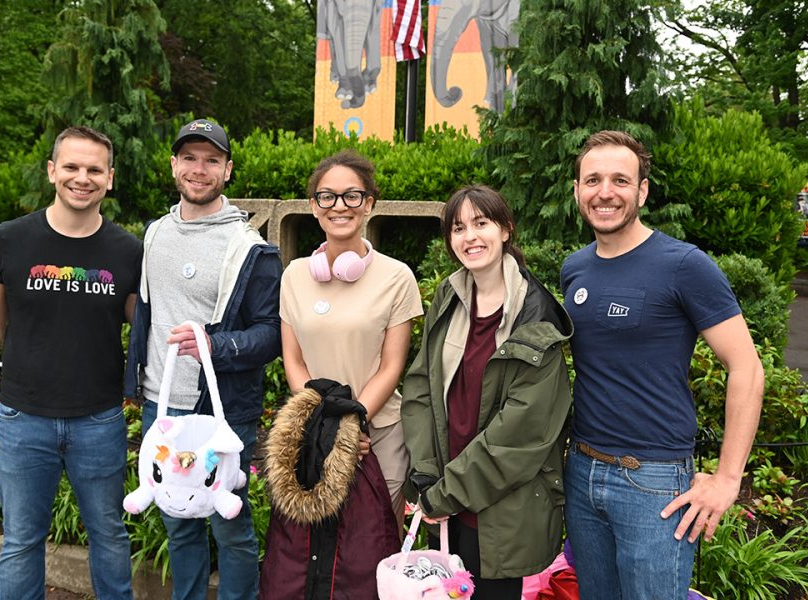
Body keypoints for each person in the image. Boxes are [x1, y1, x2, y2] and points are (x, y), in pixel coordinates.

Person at [560, 130, 764, 599]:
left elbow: (747, 368)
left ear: (642, 191)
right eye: (592, 180)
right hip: (582, 471)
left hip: (653, 483)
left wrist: (728, 479)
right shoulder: (575, 268)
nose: (605, 192)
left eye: (620, 180)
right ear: (577, 191)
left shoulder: (684, 265)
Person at [0, 126, 140, 599]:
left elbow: (146, 330)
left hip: (99, 420)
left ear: (110, 178)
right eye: (72, 167)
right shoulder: (9, 240)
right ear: (52, 171)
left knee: (110, 535)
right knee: (20, 541)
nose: (83, 177)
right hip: (22, 419)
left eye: (94, 169)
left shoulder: (129, 251)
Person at [124, 118, 281, 600]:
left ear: (227, 170)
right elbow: (145, 310)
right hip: (160, 405)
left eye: (211, 159)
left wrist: (218, 346)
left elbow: (271, 335)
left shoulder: (251, 249)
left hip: (221, 410)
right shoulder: (154, 234)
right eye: (189, 158)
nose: (199, 169)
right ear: (173, 165)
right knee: (177, 520)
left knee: (229, 525)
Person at [402, 185, 573, 599]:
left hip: (501, 511)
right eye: (458, 227)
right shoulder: (450, 296)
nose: (469, 236)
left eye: (482, 223)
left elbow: (518, 438)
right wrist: (426, 474)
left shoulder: (536, 318)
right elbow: (422, 385)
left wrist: (442, 495)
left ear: (506, 230)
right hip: (446, 500)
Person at [278, 149, 423, 523]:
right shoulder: (293, 275)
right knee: (323, 549)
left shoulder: (397, 277)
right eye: (327, 196)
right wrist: (321, 424)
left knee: (377, 541)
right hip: (315, 429)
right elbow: (294, 360)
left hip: (380, 433)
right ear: (313, 206)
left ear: (369, 203)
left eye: (352, 195)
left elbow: (392, 367)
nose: (338, 206)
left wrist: (352, 423)